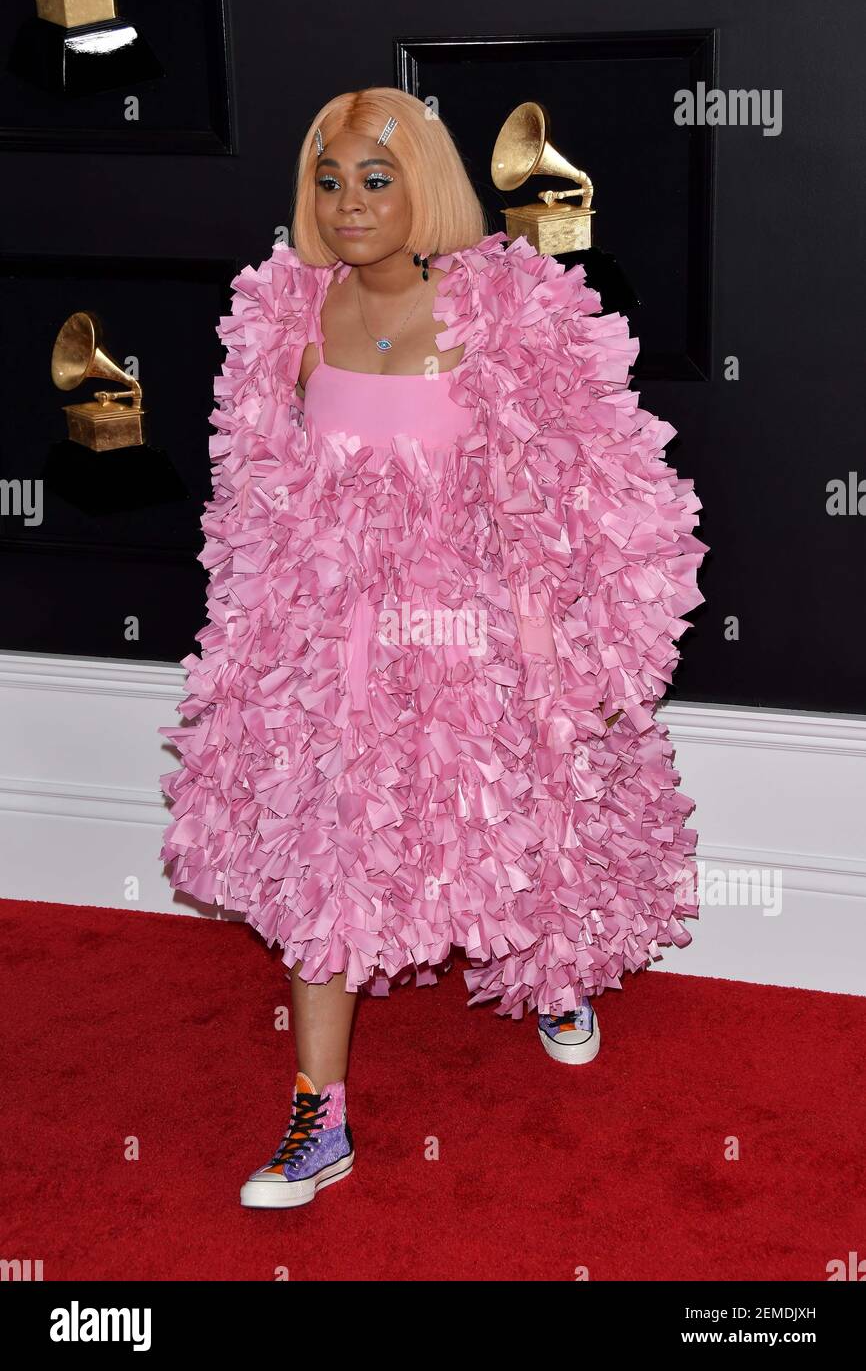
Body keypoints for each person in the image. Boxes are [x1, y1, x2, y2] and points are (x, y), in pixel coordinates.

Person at [158, 87, 708, 1210]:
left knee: (528, 818)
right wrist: (259, 648)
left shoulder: (508, 307)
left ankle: (549, 971)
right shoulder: (283, 316)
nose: (350, 203)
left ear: (426, 185)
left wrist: (597, 635)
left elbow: (601, 477)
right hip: (337, 646)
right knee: (331, 854)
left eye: (375, 177)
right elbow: (256, 493)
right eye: (328, 178)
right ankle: (322, 1113)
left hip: (486, 635)